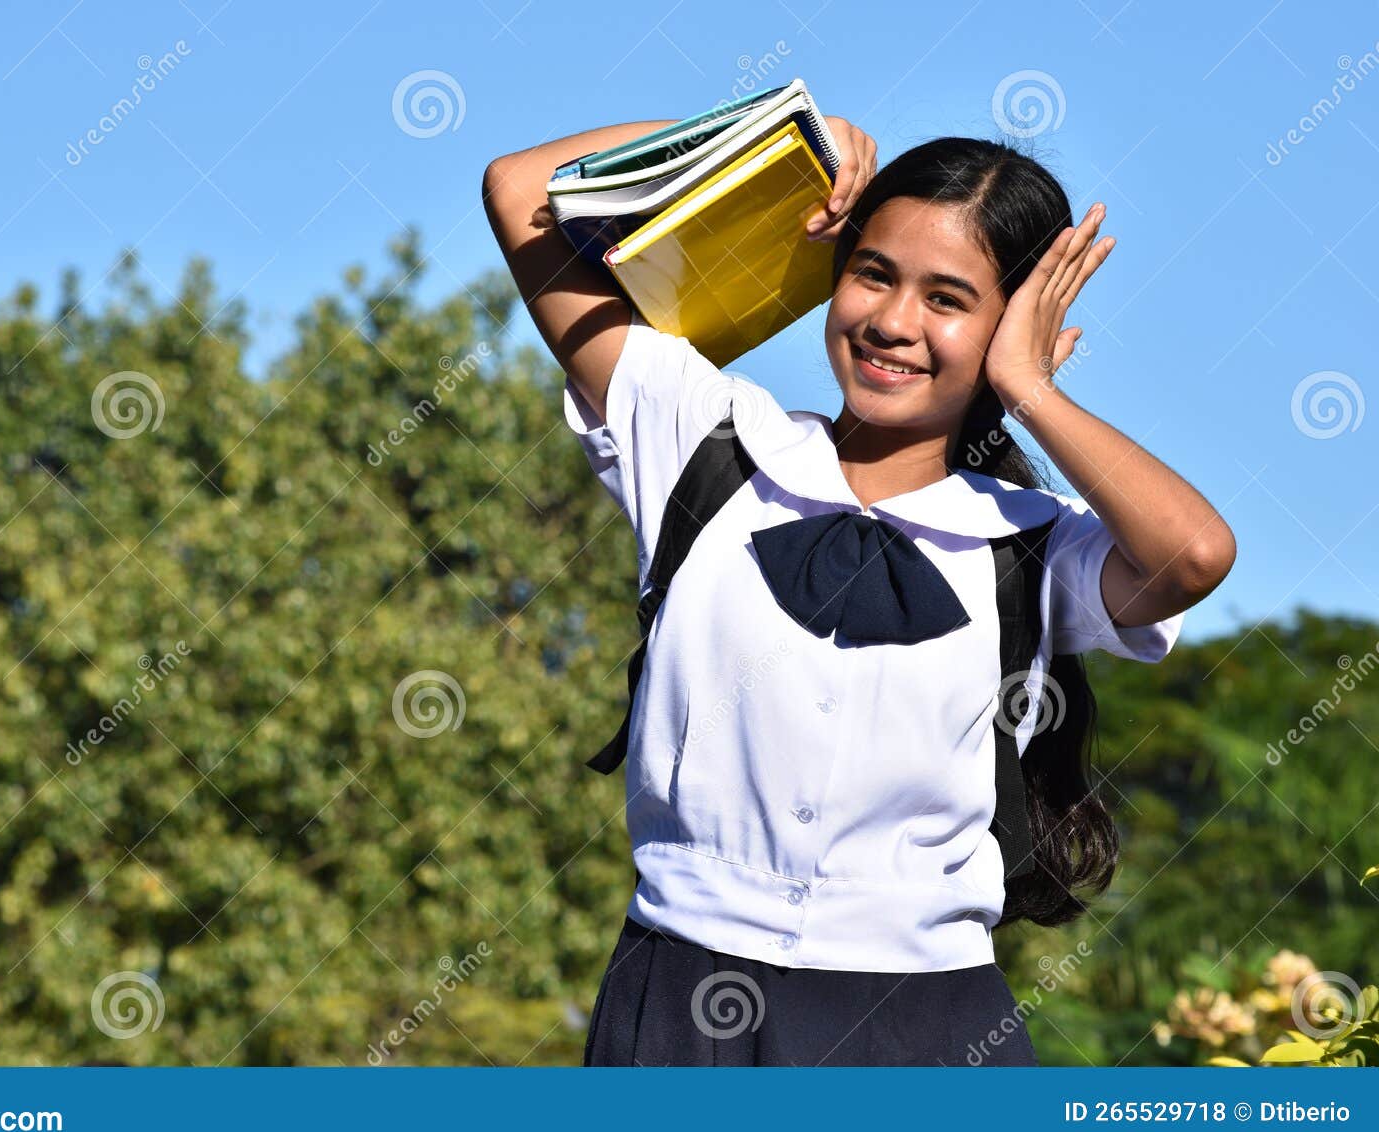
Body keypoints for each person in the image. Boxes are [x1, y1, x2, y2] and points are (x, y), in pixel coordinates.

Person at [480, 111, 1236, 1066]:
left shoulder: (1036, 544)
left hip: (926, 1031)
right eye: (874, 272)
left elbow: (1196, 554)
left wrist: (1032, 388)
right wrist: (775, 134)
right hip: (676, 1005)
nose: (892, 321)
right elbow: (519, 189)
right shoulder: (706, 441)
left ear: (1014, 327)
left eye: (949, 298)